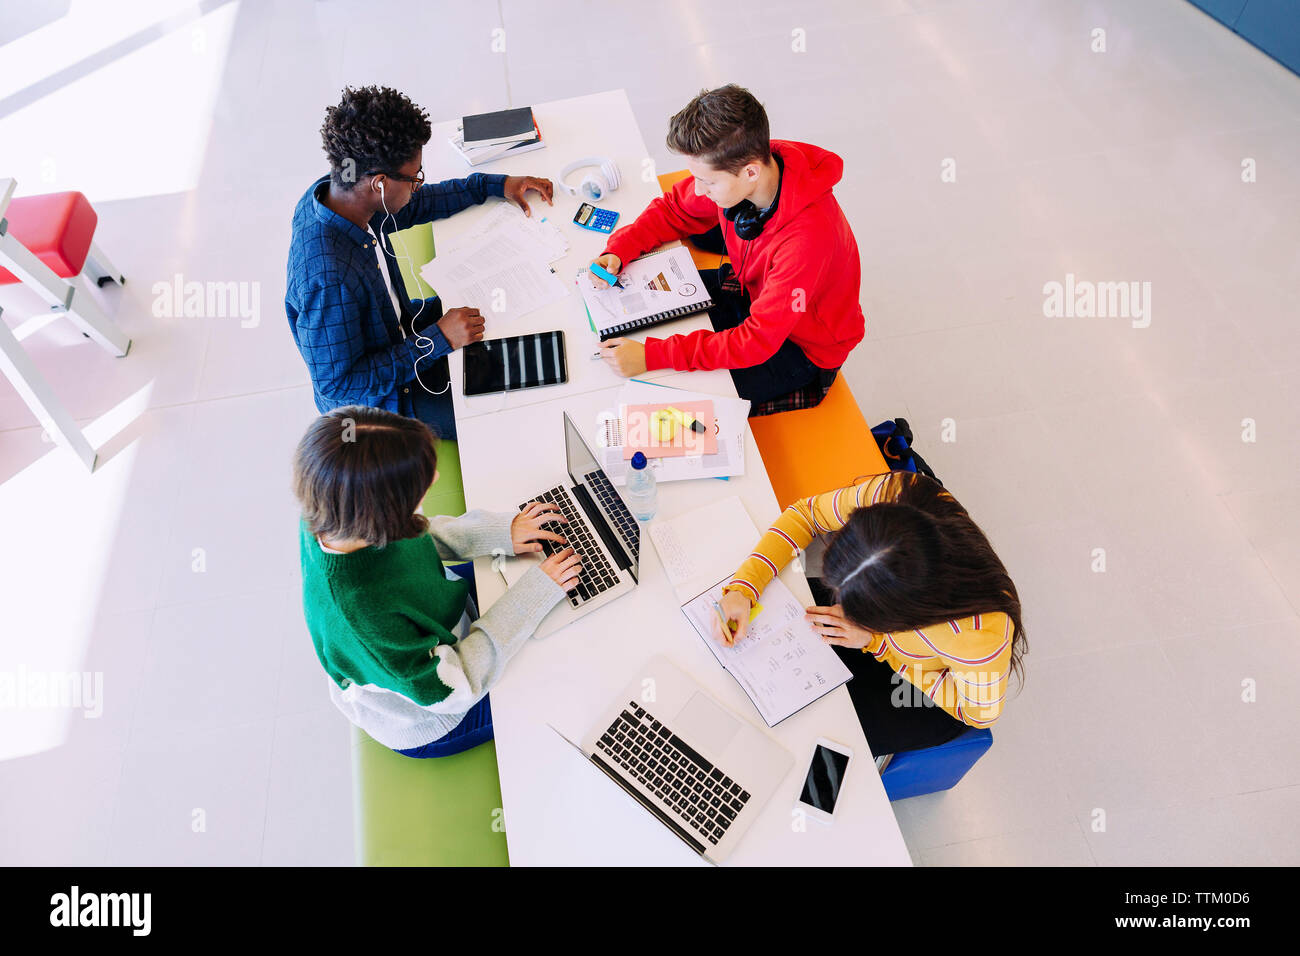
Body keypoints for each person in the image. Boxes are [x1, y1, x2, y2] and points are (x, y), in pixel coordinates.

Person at [292, 405, 582, 758]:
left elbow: (417, 533)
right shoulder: (361, 616)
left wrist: (500, 532)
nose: (436, 477)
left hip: (439, 617)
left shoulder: (332, 510)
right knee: (564, 682)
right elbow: (453, 689)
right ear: (383, 515)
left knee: (561, 622)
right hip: (439, 710)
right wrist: (531, 597)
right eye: (421, 486)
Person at [286, 85, 554, 441]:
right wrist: (436, 339)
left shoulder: (341, 192)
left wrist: (496, 185)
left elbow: (418, 203)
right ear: (379, 183)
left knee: (515, 323)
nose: (417, 186)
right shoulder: (327, 279)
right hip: (390, 403)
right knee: (519, 406)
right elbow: (341, 387)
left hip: (398, 330)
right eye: (414, 178)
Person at [590, 84, 864, 416]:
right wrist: (621, 249)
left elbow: (757, 340)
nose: (699, 191)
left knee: (679, 405)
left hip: (800, 348)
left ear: (751, 172)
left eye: (708, 182)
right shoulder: (750, 167)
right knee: (646, 306)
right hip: (753, 294)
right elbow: (675, 208)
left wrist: (652, 356)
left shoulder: (806, 241)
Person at [714, 471, 1027, 759]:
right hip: (878, 634)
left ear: (897, 618)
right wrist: (745, 586)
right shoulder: (898, 496)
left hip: (924, 693)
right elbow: (807, 514)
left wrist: (877, 644)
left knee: (809, 739)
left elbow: (976, 713)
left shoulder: (978, 638)